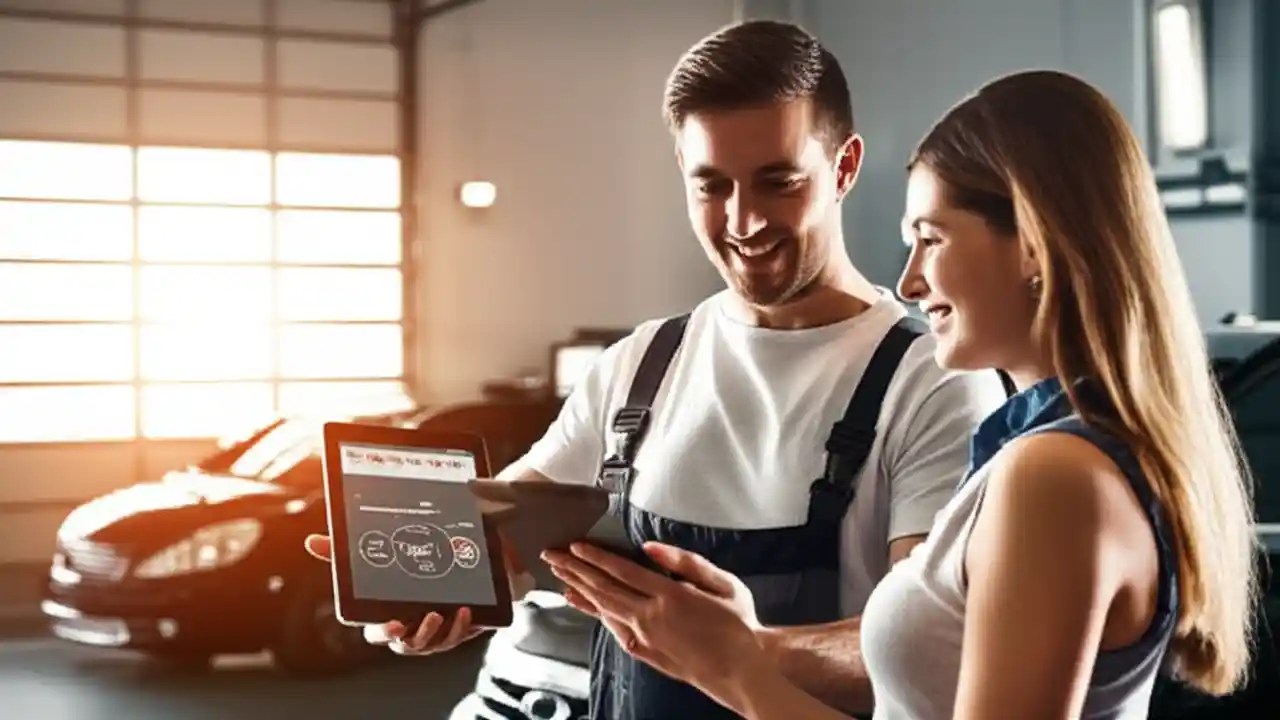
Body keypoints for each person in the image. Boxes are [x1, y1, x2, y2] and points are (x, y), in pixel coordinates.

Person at [305, 19, 1007, 720]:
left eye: (779, 182)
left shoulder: (933, 380)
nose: (744, 221)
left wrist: (747, 652)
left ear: (844, 167)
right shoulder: (641, 364)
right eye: (712, 186)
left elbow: (936, 653)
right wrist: (418, 589)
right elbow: (504, 538)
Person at [546, 69, 1261, 719]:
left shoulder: (1054, 478)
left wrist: (733, 672)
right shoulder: (1045, 462)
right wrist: (752, 644)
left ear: (1033, 244)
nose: (911, 281)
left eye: (932, 239)